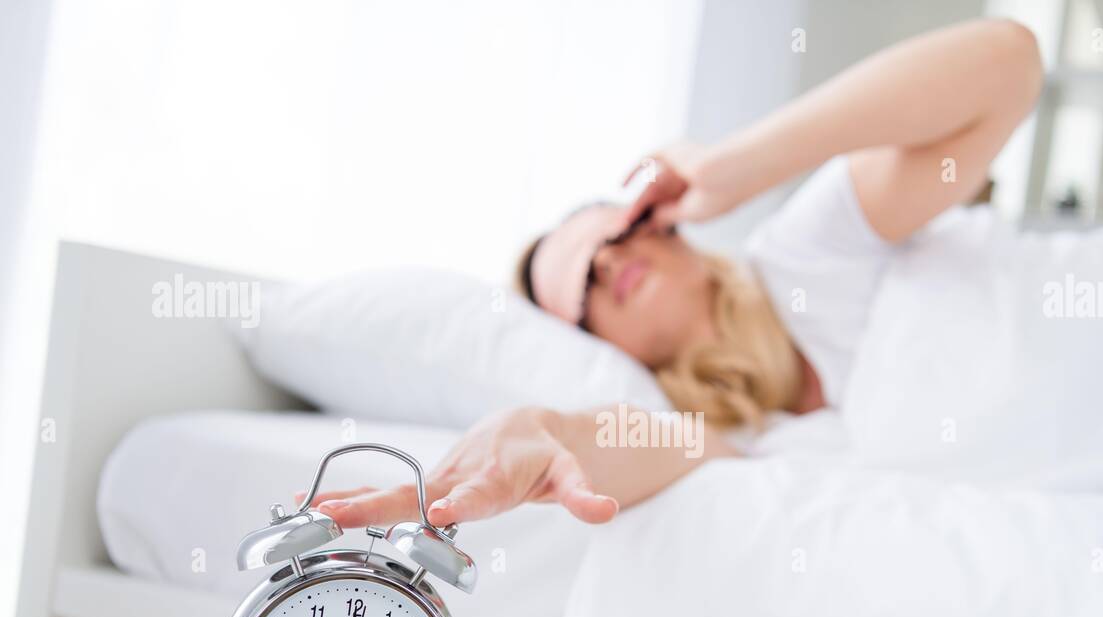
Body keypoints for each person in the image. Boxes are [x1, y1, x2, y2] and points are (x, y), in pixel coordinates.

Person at [304, 18, 1044, 529]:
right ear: (598, 343)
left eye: (612, 238)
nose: (607, 268)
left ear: (666, 227)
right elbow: (617, 444)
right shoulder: (716, 432)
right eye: (583, 291)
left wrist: (739, 168)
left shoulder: (808, 251)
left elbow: (1009, 62)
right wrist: (535, 431)